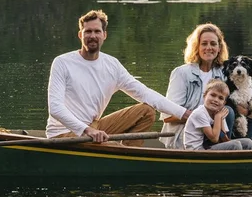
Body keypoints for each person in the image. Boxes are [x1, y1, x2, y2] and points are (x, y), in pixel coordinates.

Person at [47, 9, 191, 142]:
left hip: (93, 127)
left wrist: (184, 113)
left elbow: (145, 93)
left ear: (104, 35)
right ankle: (122, 153)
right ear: (80, 35)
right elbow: (55, 108)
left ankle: (129, 154)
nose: (92, 36)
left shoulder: (112, 65)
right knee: (113, 147)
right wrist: (86, 130)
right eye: (88, 31)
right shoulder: (62, 63)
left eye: (97, 31)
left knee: (146, 111)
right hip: (64, 134)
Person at [160, 22, 229, 144]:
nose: (209, 48)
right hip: (185, 137)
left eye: (213, 44)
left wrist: (251, 110)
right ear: (196, 47)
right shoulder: (181, 73)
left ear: (219, 48)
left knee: (232, 111)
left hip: (214, 133)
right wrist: (202, 118)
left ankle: (233, 146)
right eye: (204, 44)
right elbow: (168, 117)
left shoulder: (223, 72)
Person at [182, 79, 252, 151]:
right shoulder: (199, 113)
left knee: (248, 143)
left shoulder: (218, 113)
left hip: (208, 146)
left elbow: (224, 138)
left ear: (224, 103)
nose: (216, 100)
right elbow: (214, 139)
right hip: (197, 151)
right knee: (235, 145)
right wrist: (218, 117)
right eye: (213, 95)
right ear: (204, 96)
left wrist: (221, 120)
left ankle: (246, 162)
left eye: (220, 98)